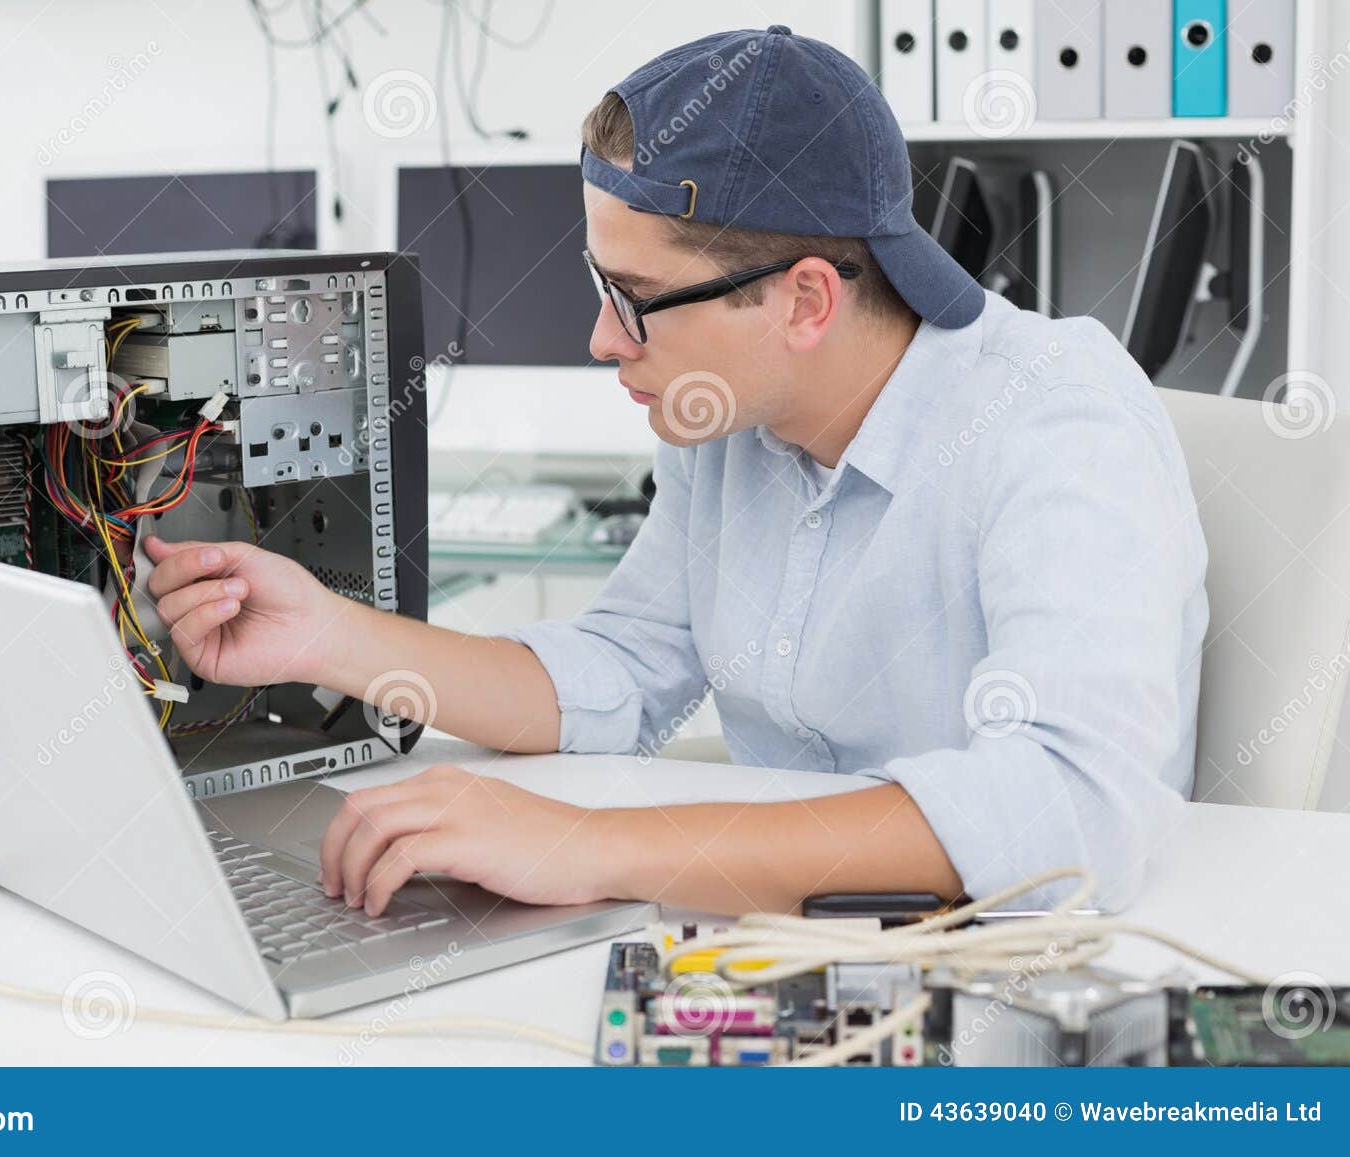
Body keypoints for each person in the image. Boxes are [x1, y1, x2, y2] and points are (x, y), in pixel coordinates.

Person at [144, 26, 1207, 919]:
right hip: (788, 939)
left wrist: (591, 844)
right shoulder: (729, 421)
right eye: (600, 282)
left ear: (803, 301)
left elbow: (1067, 806)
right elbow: (617, 673)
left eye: (638, 297)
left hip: (1026, 961)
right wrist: (330, 632)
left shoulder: (1057, 421)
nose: (604, 339)